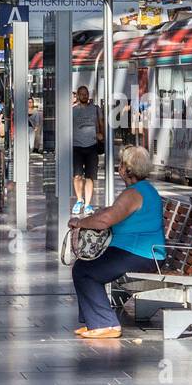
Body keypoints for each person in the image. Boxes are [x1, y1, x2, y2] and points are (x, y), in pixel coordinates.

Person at [69, 144, 167, 339]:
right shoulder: (141, 190)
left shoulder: (134, 194)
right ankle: (94, 322)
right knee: (83, 267)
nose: (119, 168)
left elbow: (106, 221)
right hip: (136, 251)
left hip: (141, 254)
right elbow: (113, 212)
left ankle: (106, 324)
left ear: (128, 169)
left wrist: (80, 222)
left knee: (86, 272)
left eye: (121, 164)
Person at [72, 85, 103, 216]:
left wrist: (102, 135)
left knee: (90, 176)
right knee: (77, 175)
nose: (85, 96)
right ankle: (79, 199)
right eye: (82, 94)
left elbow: (101, 122)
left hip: (92, 145)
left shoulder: (96, 109)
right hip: (76, 146)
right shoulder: (73, 110)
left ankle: (88, 204)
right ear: (78, 96)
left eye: (86, 94)